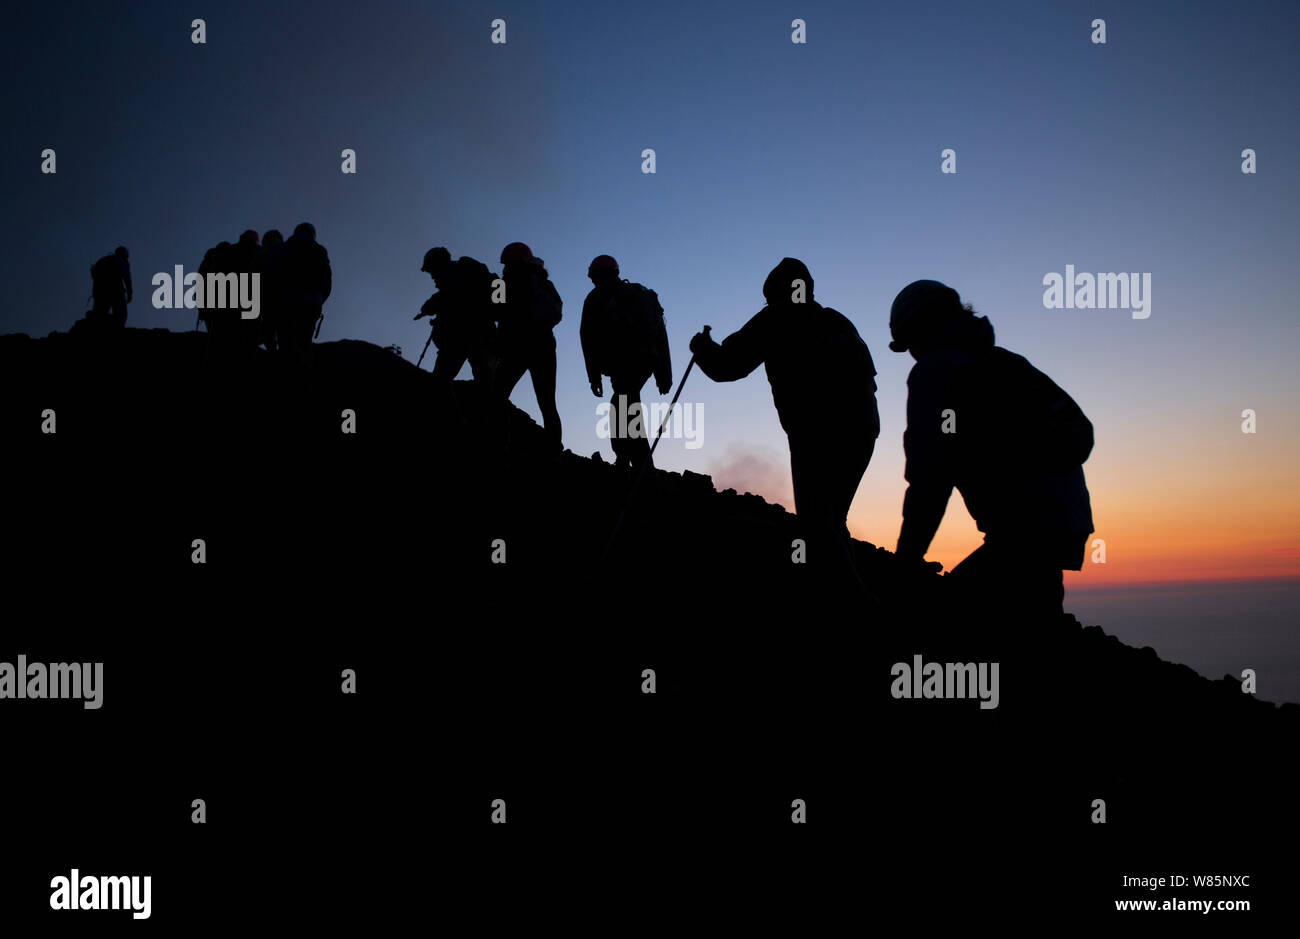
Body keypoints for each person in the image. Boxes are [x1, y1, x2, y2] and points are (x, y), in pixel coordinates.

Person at [887, 279, 1095, 621]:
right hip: (1063, 526)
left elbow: (930, 478)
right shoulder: (1008, 362)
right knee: (1036, 610)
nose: (911, 353)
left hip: (1022, 536)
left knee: (943, 618)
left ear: (921, 329)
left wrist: (905, 563)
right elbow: (1079, 432)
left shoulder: (936, 371)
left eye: (910, 342)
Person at [688, 258, 879, 590]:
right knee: (831, 519)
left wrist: (701, 348)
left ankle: (850, 605)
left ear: (775, 294)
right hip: (863, 428)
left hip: (815, 432)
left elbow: (727, 366)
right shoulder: (836, 320)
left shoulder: (776, 317)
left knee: (818, 523)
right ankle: (835, 589)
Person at [580, 255, 672, 470]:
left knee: (625, 407)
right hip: (646, 362)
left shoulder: (595, 298)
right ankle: (632, 460)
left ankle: (638, 465)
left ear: (595, 276)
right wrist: (664, 374)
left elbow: (588, 338)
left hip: (622, 363)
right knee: (625, 404)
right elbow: (661, 334)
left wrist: (593, 376)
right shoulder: (640, 294)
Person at [494, 242, 563, 450]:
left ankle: (498, 443)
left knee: (497, 396)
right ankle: (554, 451)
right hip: (544, 346)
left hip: (516, 348)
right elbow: (556, 315)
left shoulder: (501, 284)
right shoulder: (543, 282)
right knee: (547, 403)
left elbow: (495, 311)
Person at [415, 247, 498, 385]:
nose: (432, 276)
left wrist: (429, 309)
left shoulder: (456, 277)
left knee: (444, 376)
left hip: (467, 335)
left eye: (432, 271)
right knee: (483, 375)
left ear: (439, 265)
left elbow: (450, 298)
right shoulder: (460, 276)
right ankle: (487, 401)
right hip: (477, 334)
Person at [277, 222, 332, 354]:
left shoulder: (283, 248)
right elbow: (327, 280)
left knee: (286, 343)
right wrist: (319, 300)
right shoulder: (319, 250)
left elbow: (273, 273)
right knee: (304, 342)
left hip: (286, 300)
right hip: (312, 302)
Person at [254, 230, 284, 351]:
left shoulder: (261, 253)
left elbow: (252, 273)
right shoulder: (286, 250)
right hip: (285, 296)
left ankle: (272, 352)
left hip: (265, 295)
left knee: (268, 327)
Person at [90, 246, 132, 327]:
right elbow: (127, 278)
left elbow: (95, 277)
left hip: (100, 290)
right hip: (115, 289)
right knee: (121, 314)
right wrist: (130, 293)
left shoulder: (104, 260)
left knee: (99, 313)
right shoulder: (122, 260)